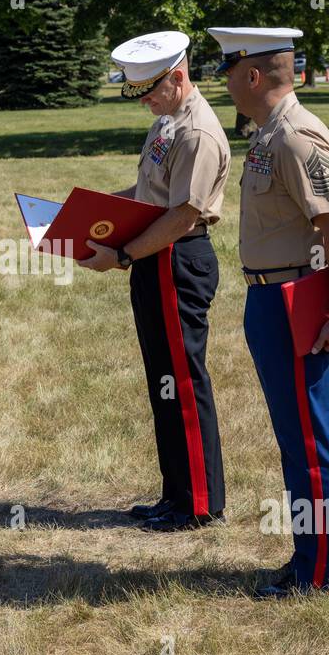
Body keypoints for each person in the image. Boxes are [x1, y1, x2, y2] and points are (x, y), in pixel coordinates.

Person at [210, 25, 329, 598]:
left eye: (227, 70)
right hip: (269, 298)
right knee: (294, 437)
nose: (222, 82)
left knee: (309, 441)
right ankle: (309, 560)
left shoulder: (296, 137)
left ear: (251, 74)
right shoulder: (270, 133)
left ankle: (323, 574)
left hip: (297, 302)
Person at [79, 31, 230, 532]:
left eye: (149, 90)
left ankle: (199, 503)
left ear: (178, 77)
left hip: (175, 257)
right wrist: (88, 212)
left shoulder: (197, 132)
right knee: (163, 380)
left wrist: (121, 253)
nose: (143, 100)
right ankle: (176, 494)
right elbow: (150, 195)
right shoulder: (169, 121)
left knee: (183, 381)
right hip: (156, 256)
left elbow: (182, 215)